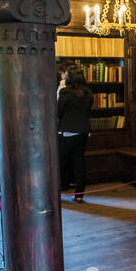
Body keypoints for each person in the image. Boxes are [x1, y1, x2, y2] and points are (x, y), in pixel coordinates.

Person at [57, 66, 93, 202]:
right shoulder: (88, 93)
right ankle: (79, 194)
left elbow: (59, 113)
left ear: (69, 78)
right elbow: (88, 111)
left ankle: (58, 190)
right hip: (83, 131)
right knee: (79, 162)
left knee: (61, 162)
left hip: (67, 131)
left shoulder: (65, 93)